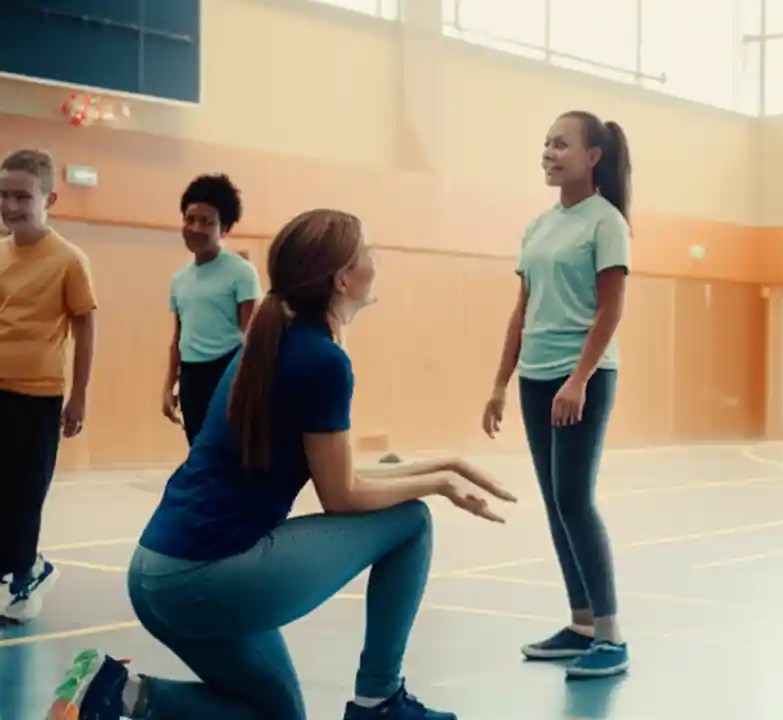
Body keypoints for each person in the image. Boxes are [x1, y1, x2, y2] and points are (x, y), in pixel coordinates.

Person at [46, 209, 517, 720]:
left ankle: (117, 694)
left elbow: (339, 473)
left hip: (153, 571)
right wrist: (436, 484)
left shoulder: (271, 344)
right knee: (411, 521)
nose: (376, 264)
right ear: (342, 278)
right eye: (369, 254)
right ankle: (379, 701)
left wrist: (437, 465)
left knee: (279, 715)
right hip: (202, 578)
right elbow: (342, 496)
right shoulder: (321, 360)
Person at [482, 110, 632, 679]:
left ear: (593, 157)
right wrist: (499, 383)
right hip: (534, 377)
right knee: (554, 501)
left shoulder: (606, 222)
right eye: (545, 143)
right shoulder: (538, 226)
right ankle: (581, 623)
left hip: (580, 378)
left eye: (561, 144)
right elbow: (521, 311)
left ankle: (612, 637)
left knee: (574, 498)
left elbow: (610, 308)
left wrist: (579, 380)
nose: (549, 152)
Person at [0, 148, 97, 624]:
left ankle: (24, 574)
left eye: (22, 196)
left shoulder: (68, 260)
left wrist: (79, 395)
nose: (11, 205)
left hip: (38, 397)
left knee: (24, 491)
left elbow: (85, 324)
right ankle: (22, 568)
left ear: (49, 198)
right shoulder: (0, 251)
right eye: (3, 195)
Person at [163, 174, 261, 445]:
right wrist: (170, 385)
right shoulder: (179, 278)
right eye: (190, 219)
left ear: (224, 229)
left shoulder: (241, 272)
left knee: (228, 451)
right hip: (192, 376)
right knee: (198, 450)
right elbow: (178, 338)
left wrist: (251, 389)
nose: (196, 228)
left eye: (207, 222)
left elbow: (253, 338)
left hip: (228, 371)